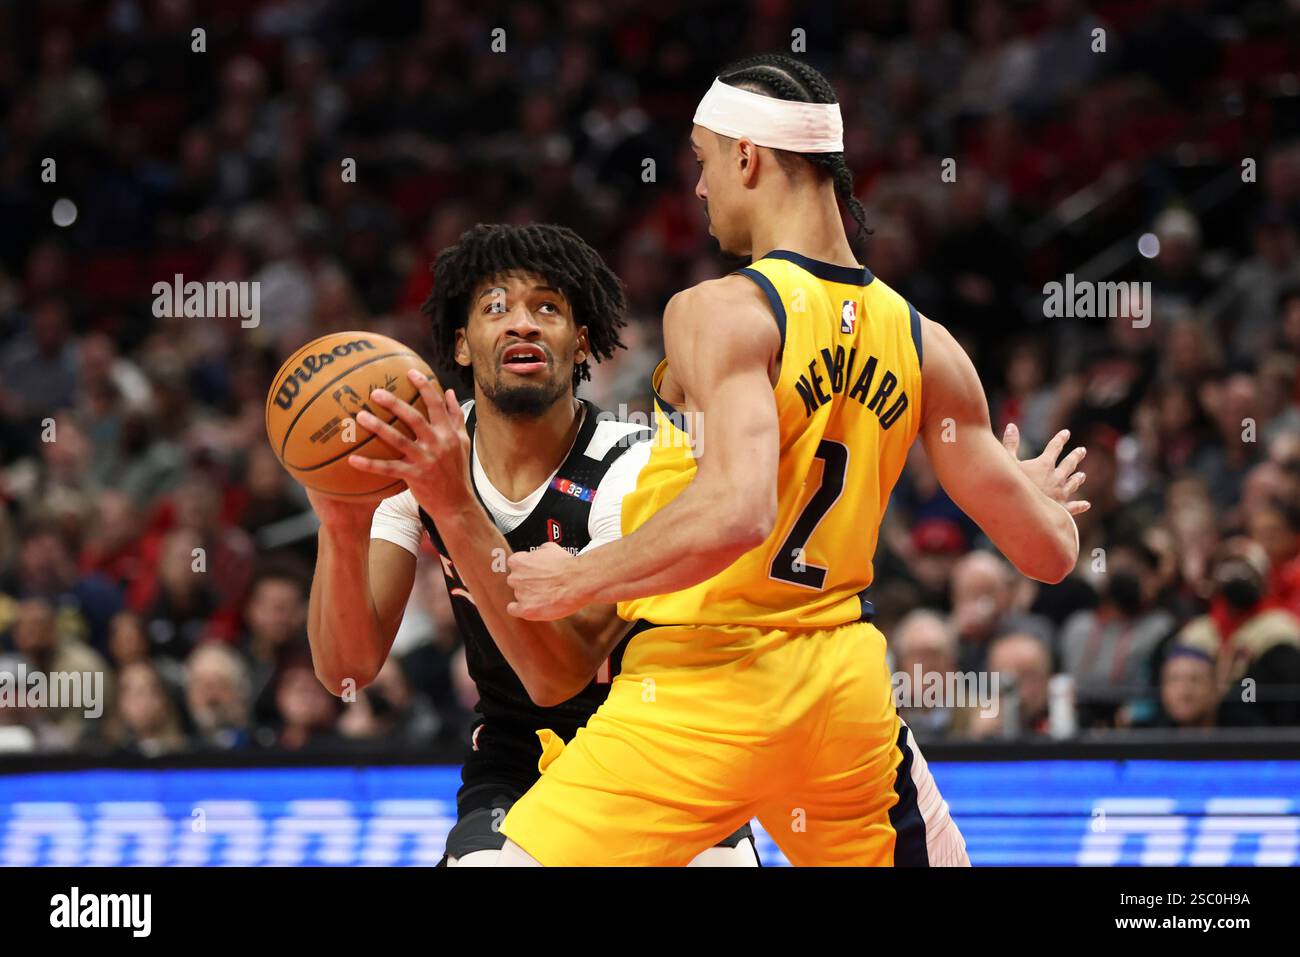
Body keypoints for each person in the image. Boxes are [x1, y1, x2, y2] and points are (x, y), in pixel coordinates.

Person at [502, 54, 1086, 866]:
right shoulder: (930, 346)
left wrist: (579, 578)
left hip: (699, 690)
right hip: (839, 700)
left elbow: (740, 510)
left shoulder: (723, 310)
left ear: (748, 157)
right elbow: (1049, 553)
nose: (700, 190)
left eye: (704, 162)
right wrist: (1034, 495)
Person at [305, 223, 756, 865]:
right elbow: (346, 672)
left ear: (582, 344)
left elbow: (558, 678)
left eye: (547, 307)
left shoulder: (636, 465)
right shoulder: (422, 450)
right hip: (517, 760)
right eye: (495, 308)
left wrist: (454, 507)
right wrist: (341, 524)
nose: (522, 324)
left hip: (656, 752)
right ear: (462, 345)